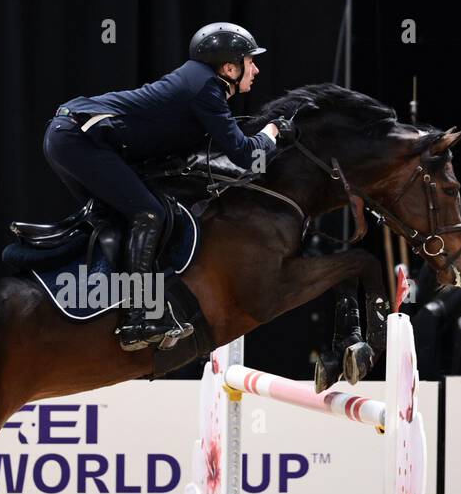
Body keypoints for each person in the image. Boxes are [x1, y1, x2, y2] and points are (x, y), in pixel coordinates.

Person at [44, 22, 296, 351]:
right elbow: (247, 156)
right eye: (251, 61)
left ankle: (108, 304)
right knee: (149, 212)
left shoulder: (200, 81)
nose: (257, 68)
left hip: (68, 135)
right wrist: (273, 132)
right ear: (229, 67)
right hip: (80, 138)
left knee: (121, 216)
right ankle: (140, 317)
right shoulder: (206, 87)